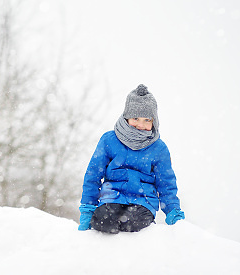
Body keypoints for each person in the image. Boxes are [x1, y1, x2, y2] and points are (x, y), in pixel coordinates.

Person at [78, 84, 185, 233]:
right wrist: (88, 208)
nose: (141, 125)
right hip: (111, 198)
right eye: (136, 118)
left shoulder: (159, 149)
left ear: (154, 121)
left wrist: (173, 213)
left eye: (147, 120)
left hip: (144, 202)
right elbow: (93, 175)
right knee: (103, 222)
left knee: (131, 223)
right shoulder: (109, 140)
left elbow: (166, 184)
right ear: (126, 117)